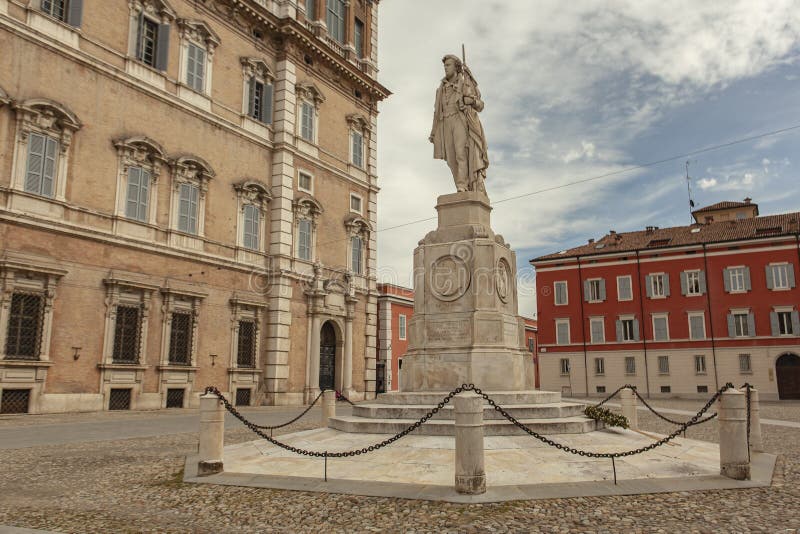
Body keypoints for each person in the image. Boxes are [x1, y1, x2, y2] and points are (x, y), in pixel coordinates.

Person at [429, 54, 489, 193]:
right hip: (445, 122)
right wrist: (433, 132)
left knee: (460, 153)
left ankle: (462, 185)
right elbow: (436, 112)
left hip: (459, 120)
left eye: (448, 65)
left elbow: (480, 105)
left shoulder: (465, 84)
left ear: (456, 67)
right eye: (444, 66)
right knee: (451, 159)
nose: (445, 68)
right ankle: (460, 185)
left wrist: (471, 101)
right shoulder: (440, 89)